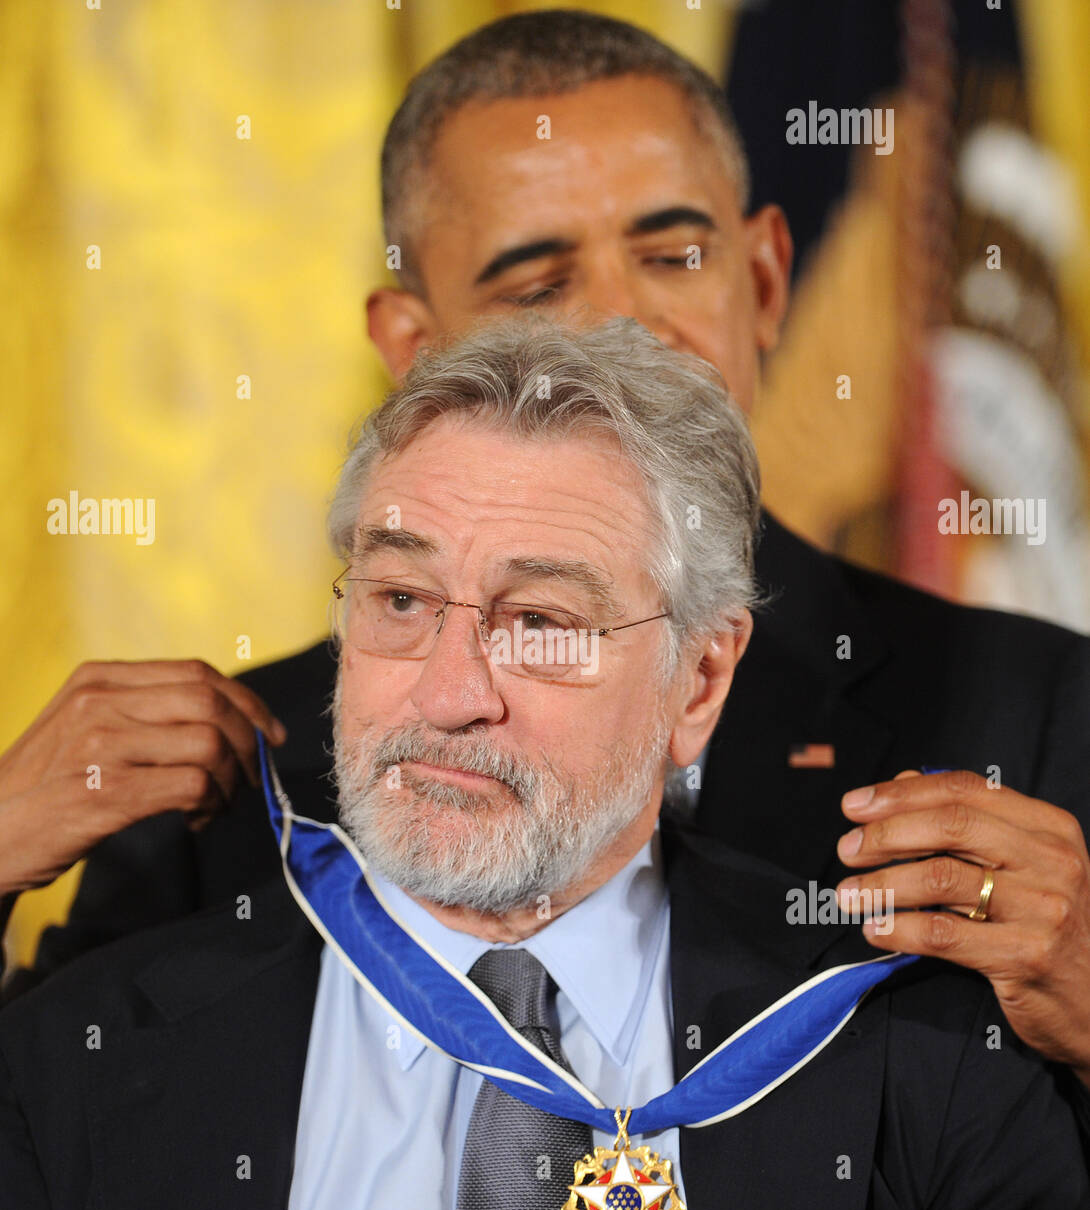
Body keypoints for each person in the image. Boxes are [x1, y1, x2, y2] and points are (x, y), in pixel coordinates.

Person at [3, 12, 1090, 1118]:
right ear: (413, 348)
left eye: (674, 256)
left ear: (764, 284)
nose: (624, 324)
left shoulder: (1029, 713)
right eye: (537, 282)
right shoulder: (241, 780)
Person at [1, 317, 1087, 1210]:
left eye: (542, 621)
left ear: (697, 682)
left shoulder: (917, 1056)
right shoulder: (83, 1057)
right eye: (401, 600)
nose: (448, 694)